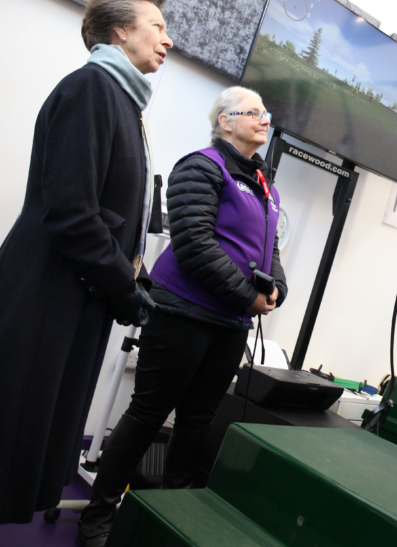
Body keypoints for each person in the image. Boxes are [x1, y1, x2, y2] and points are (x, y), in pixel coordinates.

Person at [76, 86, 288, 547]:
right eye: (253, 112)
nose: (264, 120)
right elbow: (194, 243)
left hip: (230, 325)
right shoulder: (200, 166)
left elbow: (270, 249)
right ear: (224, 121)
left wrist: (277, 289)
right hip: (182, 313)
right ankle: (97, 519)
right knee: (148, 414)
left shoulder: (265, 185)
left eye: (266, 114)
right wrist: (247, 297)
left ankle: (173, 521)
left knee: (197, 423)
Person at [0, 0, 171, 524]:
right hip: (47, 292)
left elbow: (113, 214)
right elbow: (73, 211)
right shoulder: (93, 88)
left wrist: (131, 279)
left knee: (31, 439)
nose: (167, 39)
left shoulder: (122, 101)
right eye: (157, 26)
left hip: (76, 293)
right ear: (120, 30)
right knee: (11, 436)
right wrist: (122, 283)